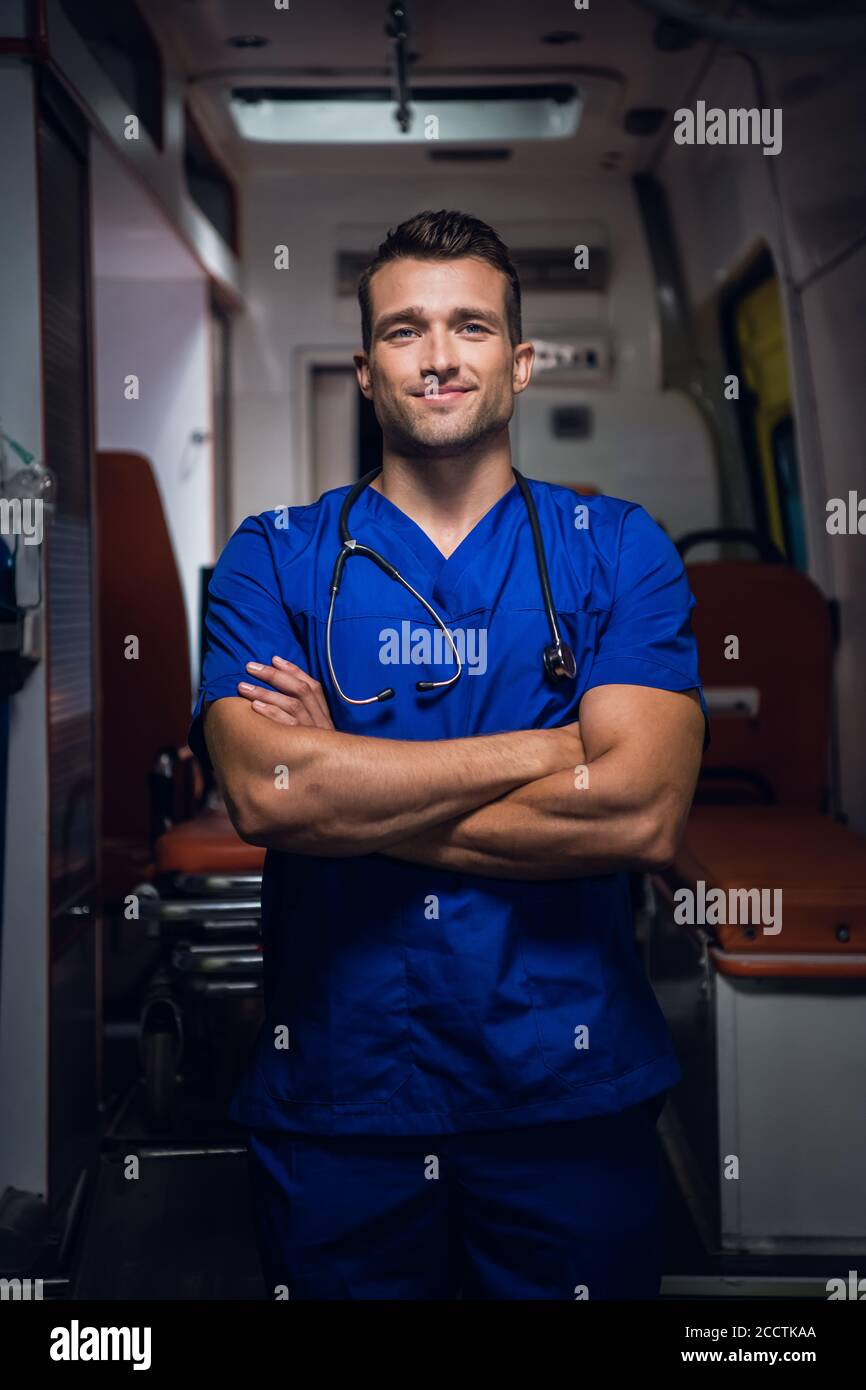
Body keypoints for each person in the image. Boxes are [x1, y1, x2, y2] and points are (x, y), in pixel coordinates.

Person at [189, 209, 708, 1300]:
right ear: (365, 372)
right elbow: (268, 794)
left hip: (566, 1097)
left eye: (469, 326)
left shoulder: (618, 550)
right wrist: (552, 746)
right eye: (403, 331)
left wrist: (349, 777)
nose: (436, 356)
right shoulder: (271, 559)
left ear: (515, 362)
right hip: (342, 1095)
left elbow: (636, 817)